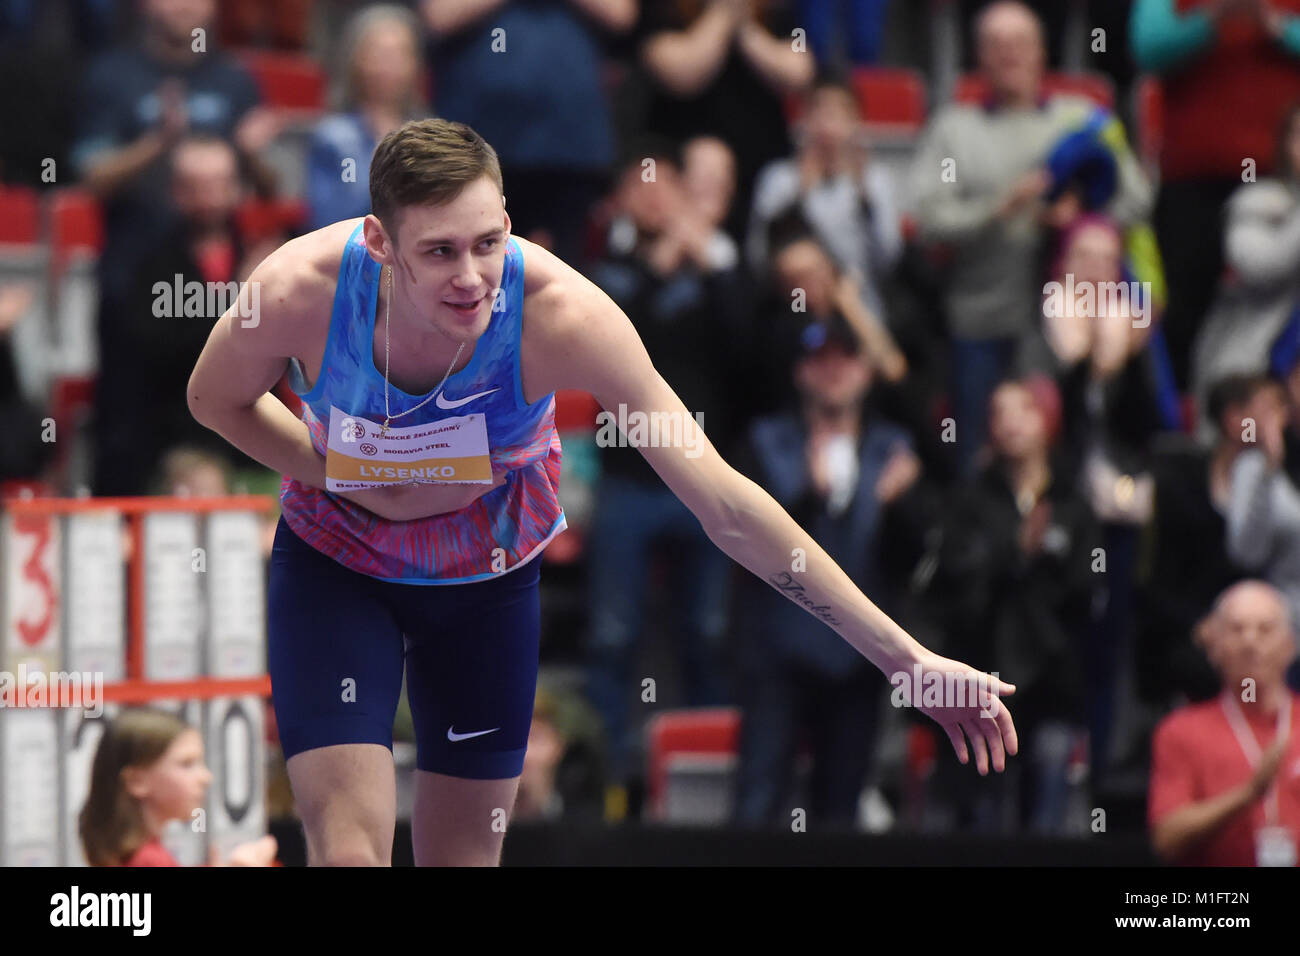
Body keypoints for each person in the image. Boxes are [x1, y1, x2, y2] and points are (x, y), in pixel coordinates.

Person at [187, 117, 1019, 867]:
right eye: (439, 251)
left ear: (509, 224)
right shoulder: (299, 292)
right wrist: (335, 469)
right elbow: (214, 399)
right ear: (378, 242)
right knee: (348, 856)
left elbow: (726, 506)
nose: (472, 277)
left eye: (486, 242)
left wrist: (906, 659)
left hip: (485, 576)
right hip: (340, 565)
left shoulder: (564, 319)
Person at [909, 0, 1151, 476]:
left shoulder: (1082, 118)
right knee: (976, 456)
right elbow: (926, 218)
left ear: (1043, 52)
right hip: (979, 321)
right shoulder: (954, 129)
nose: (1009, 55)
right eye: (995, 45)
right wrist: (1001, 208)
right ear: (977, 57)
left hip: (1068, 324)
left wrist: (1080, 212)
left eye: (1020, 43)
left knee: (1063, 459)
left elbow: (1137, 200)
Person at [730, 317, 923, 829]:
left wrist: (898, 506)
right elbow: (740, 543)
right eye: (822, 359)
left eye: (847, 359)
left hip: (857, 658)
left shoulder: (896, 451)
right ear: (801, 372)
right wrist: (806, 495)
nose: (835, 371)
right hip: (777, 650)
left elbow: (914, 560)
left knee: (841, 812)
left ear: (866, 372)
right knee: (758, 801)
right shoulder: (765, 441)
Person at [1149, 580, 1300, 866]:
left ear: (1290, 645)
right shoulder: (1181, 731)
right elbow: (1167, 840)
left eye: (1265, 629)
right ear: (1214, 647)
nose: (1250, 641)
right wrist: (1248, 794)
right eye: (1237, 629)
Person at [79, 707, 278, 866]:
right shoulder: (150, 861)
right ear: (136, 782)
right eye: (187, 764)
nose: (206, 777)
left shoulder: (139, 854)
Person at [306, 4, 427, 231]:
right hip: (352, 253)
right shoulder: (333, 136)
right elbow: (328, 219)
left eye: (400, 53)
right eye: (380, 54)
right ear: (356, 60)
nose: (390, 65)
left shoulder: (430, 132)